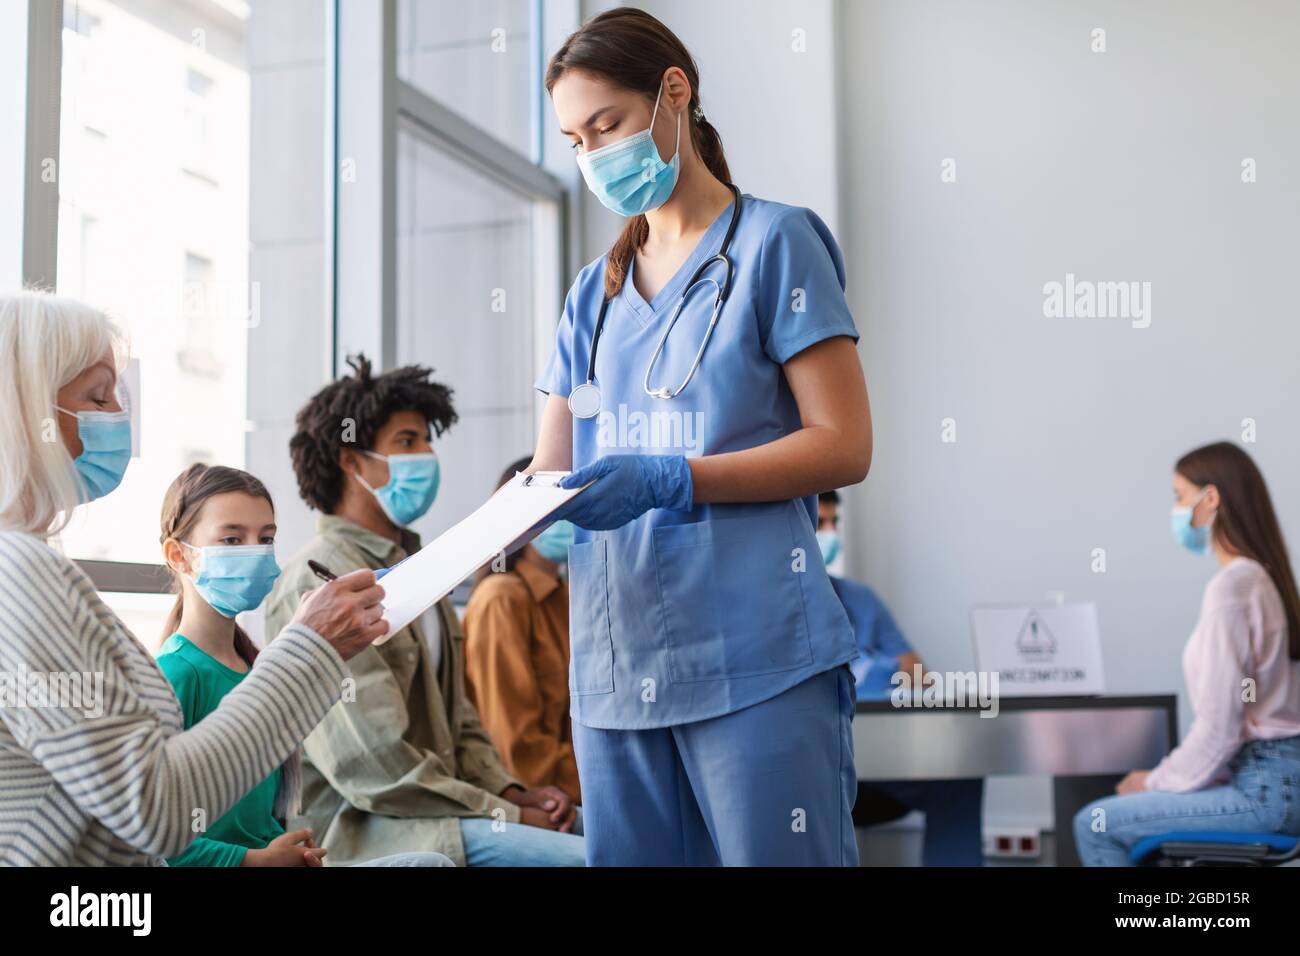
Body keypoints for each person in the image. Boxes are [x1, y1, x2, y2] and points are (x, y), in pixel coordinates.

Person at [529, 8, 872, 866]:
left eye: (606, 124)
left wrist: (672, 477)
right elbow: (546, 475)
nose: (593, 156)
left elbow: (844, 445)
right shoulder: (590, 296)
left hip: (757, 657)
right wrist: (429, 570)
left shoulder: (774, 243)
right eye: (575, 140)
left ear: (673, 93)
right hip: (616, 671)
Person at [0, 290, 387, 866]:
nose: (118, 418)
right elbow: (153, 809)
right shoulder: (21, 573)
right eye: (97, 396)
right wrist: (308, 650)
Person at [264, 355, 585, 867]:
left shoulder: (419, 571)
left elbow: (461, 721)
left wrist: (513, 792)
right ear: (352, 461)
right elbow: (371, 764)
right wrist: (504, 812)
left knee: (624, 832)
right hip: (368, 829)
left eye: (427, 440)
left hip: (447, 813)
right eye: (408, 442)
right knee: (590, 858)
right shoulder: (319, 580)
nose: (428, 455)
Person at [156, 463, 451, 867]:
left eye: (266, 539)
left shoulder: (256, 665)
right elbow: (155, 842)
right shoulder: (175, 675)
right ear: (179, 556)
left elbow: (262, 823)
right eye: (231, 538)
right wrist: (254, 861)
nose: (255, 552)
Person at [1074, 442, 1300, 866]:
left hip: (1266, 791)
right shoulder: (1265, 580)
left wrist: (1155, 781)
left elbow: (1220, 727)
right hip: (1283, 785)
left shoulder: (1232, 588)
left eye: (1180, 496)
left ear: (1210, 498)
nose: (1177, 510)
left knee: (1095, 822)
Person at [817, 490, 985, 866]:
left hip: (874, 766)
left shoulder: (860, 599)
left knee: (959, 780)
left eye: (834, 523)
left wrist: (876, 672)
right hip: (807, 768)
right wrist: (874, 668)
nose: (830, 534)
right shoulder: (770, 604)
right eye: (819, 524)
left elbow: (920, 678)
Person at [464, 457, 582, 807]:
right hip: (531, 796)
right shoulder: (500, 599)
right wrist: (604, 779)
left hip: (568, 785)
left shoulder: (560, 594)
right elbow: (515, 746)